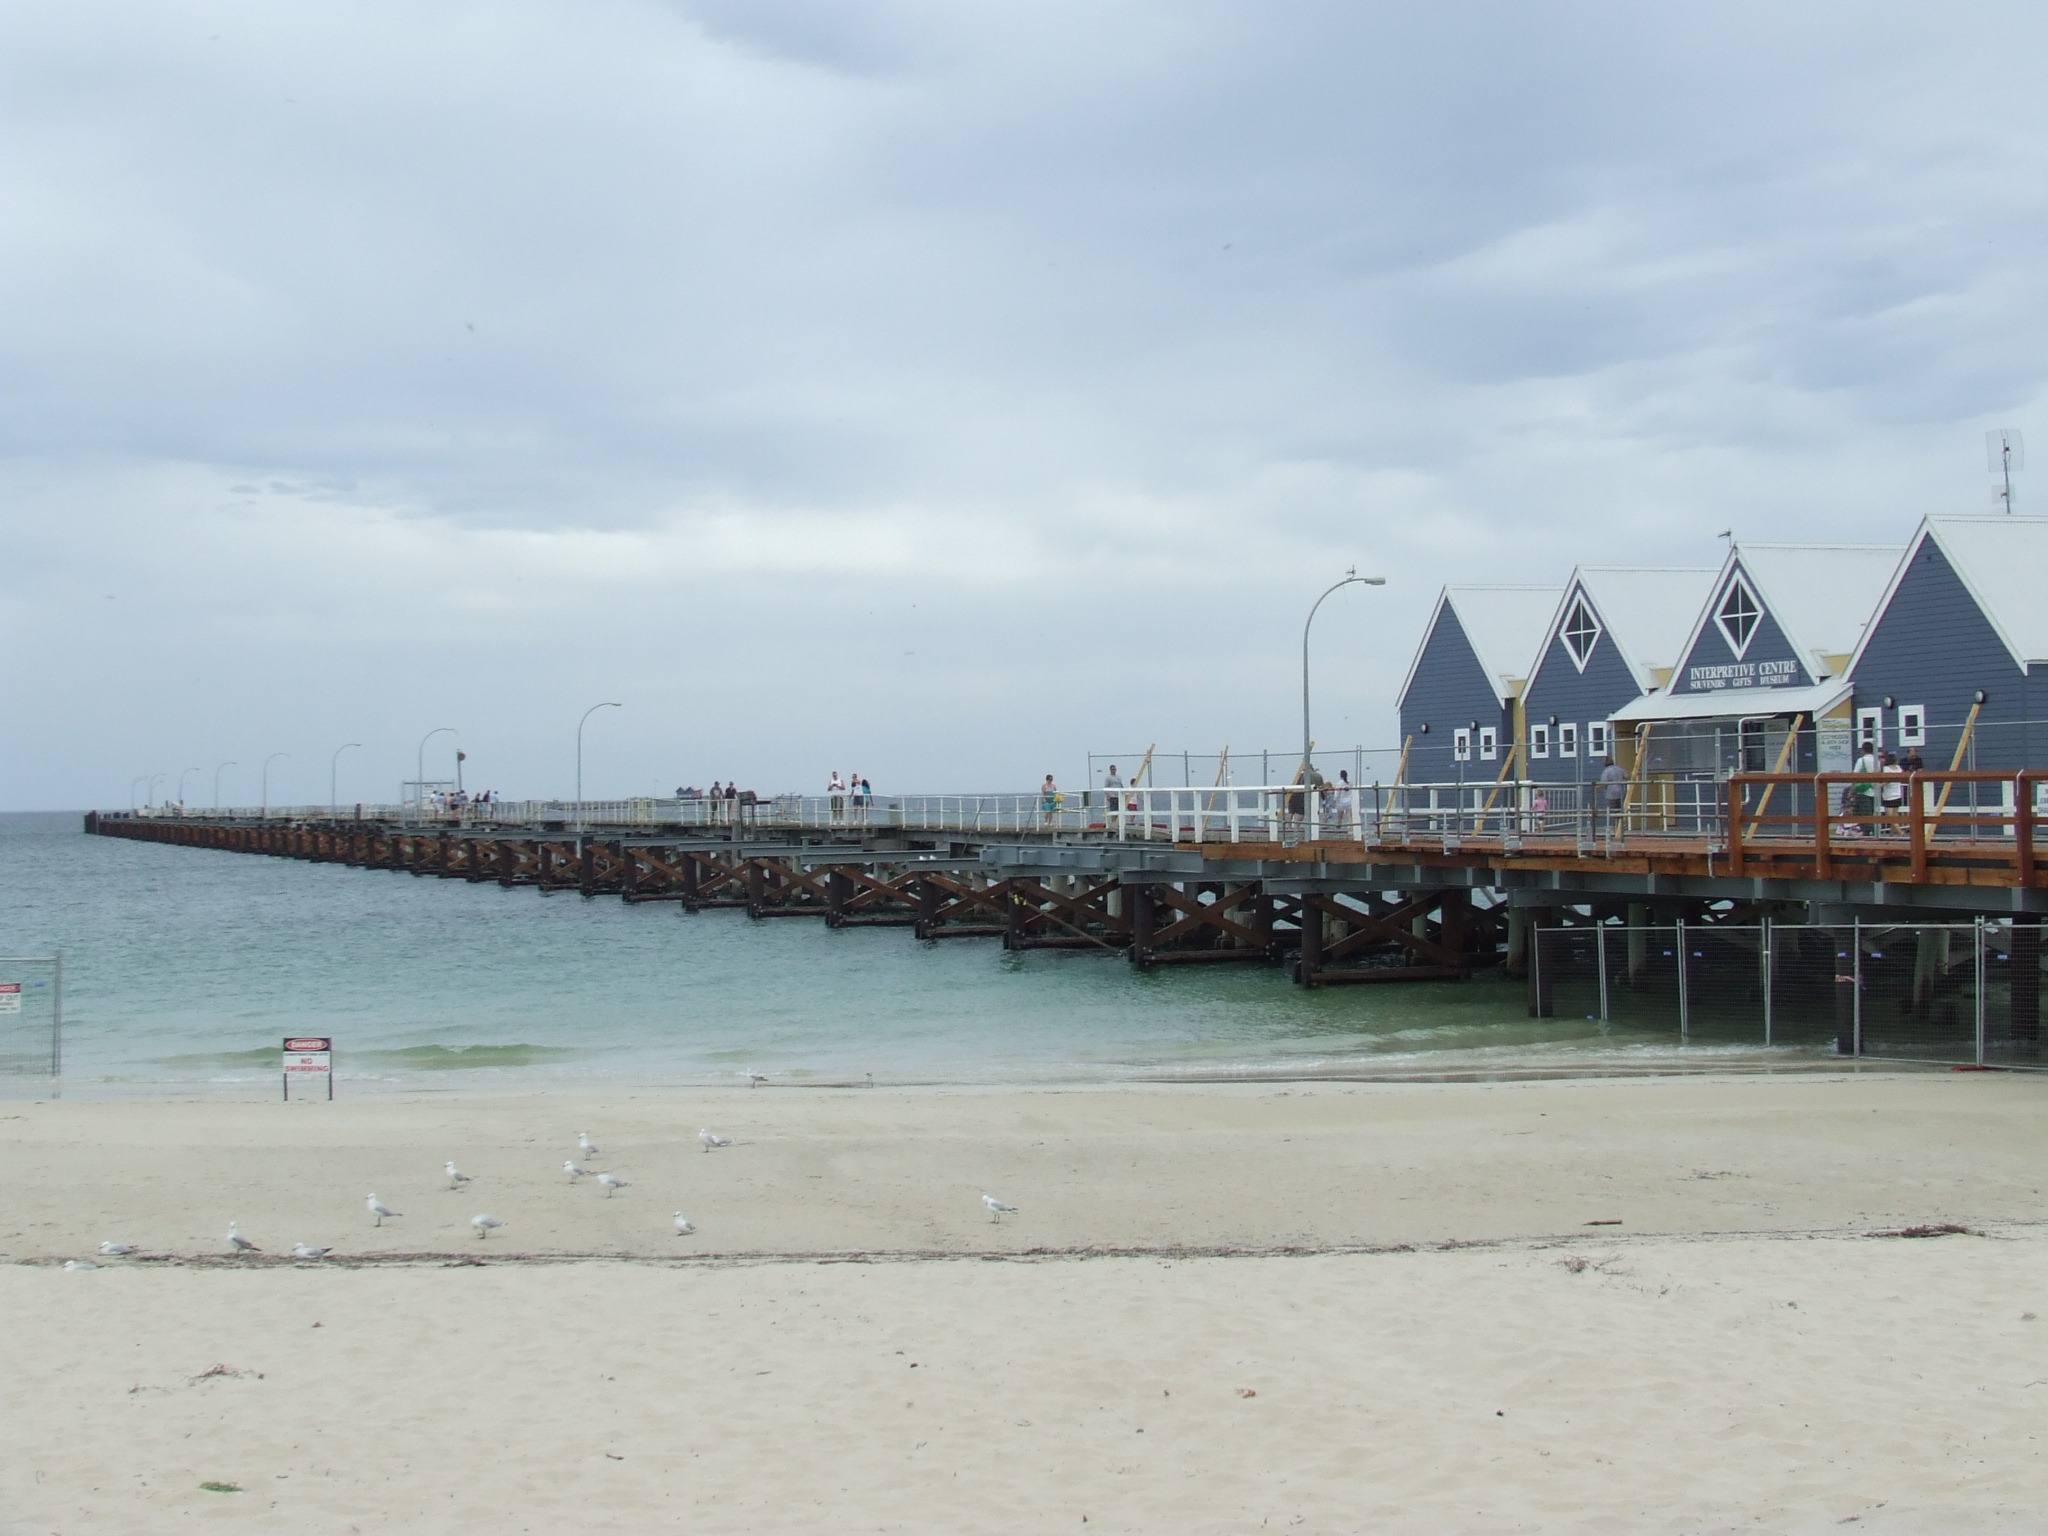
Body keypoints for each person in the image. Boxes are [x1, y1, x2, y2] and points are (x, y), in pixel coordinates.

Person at [1598, 756, 1629, 836]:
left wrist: (1598, 787)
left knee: (1611, 812)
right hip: (1621, 792)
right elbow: (1626, 776)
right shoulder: (1619, 768)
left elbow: (1604, 783)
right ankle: (1621, 827)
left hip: (1611, 793)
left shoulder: (1606, 771)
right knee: (1620, 810)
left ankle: (1613, 829)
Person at [1878, 750, 1906, 836]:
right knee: (1895, 816)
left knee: (1890, 817)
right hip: (1897, 794)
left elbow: (1887, 781)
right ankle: (1891, 834)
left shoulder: (1886, 769)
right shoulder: (1899, 768)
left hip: (1889, 796)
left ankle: (1900, 832)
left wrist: (1878, 786)